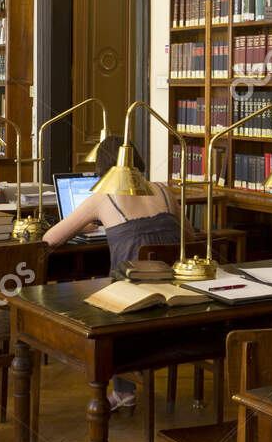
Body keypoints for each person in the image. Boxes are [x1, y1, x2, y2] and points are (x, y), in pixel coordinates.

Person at [44, 136, 182, 409]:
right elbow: (188, 235)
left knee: (93, 294)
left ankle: (122, 390)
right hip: (173, 297)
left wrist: (83, 224)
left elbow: (50, 240)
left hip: (130, 305)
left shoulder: (102, 197)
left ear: (103, 168)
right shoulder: (164, 190)